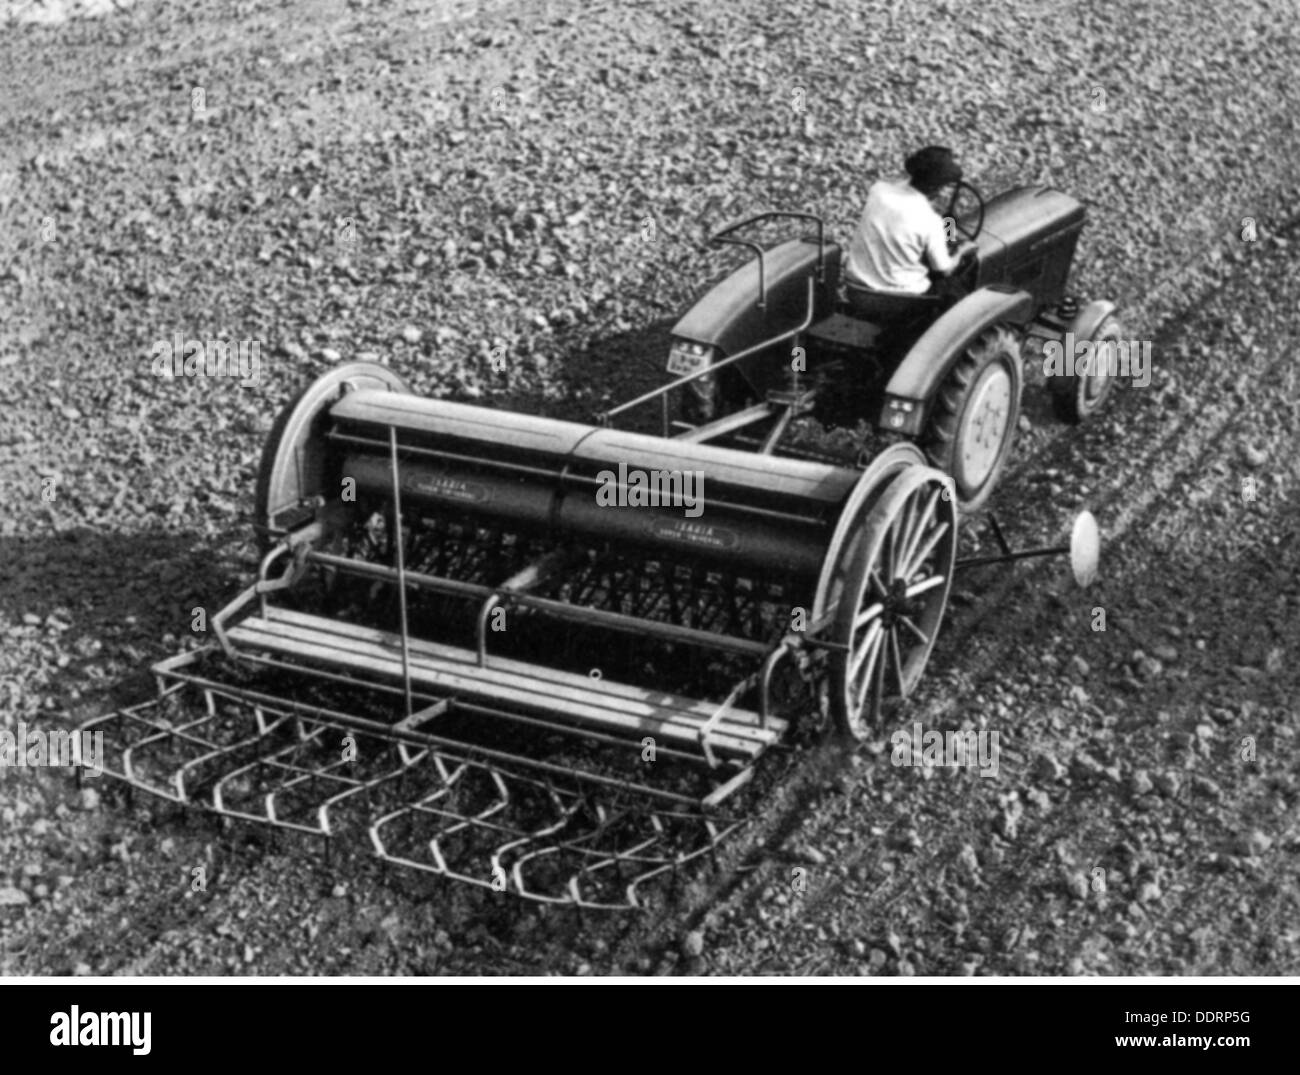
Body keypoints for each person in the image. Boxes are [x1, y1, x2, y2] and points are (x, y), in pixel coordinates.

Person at [845, 146, 977, 296]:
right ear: (936, 188)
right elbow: (944, 270)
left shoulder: (878, 191)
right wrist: (962, 250)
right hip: (902, 299)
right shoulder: (931, 221)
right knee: (957, 282)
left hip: (856, 289)